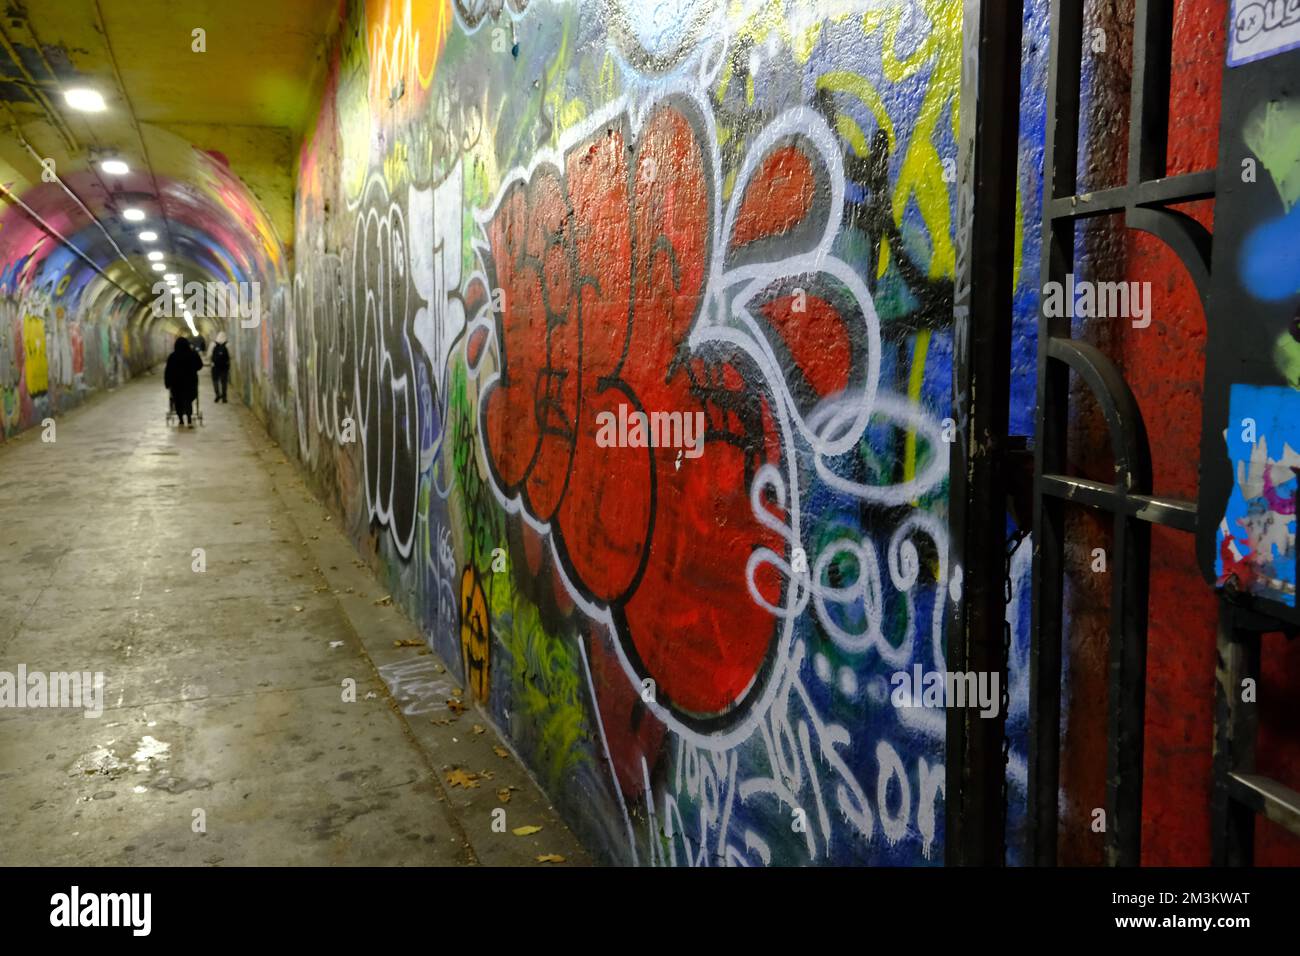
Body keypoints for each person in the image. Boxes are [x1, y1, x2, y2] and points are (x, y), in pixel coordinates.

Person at [164, 336, 203, 427]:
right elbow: (200, 365)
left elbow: (168, 371)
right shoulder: (193, 354)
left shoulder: (172, 356)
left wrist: (167, 383)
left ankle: (181, 420)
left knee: (178, 401)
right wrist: (193, 369)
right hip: (190, 383)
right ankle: (189, 419)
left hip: (176, 384)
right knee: (188, 400)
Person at [211, 331, 230, 403]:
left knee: (215, 381)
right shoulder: (228, 345)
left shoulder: (213, 344)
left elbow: (209, 355)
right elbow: (231, 356)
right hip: (224, 367)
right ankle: (224, 397)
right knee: (224, 382)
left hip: (215, 367)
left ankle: (217, 395)